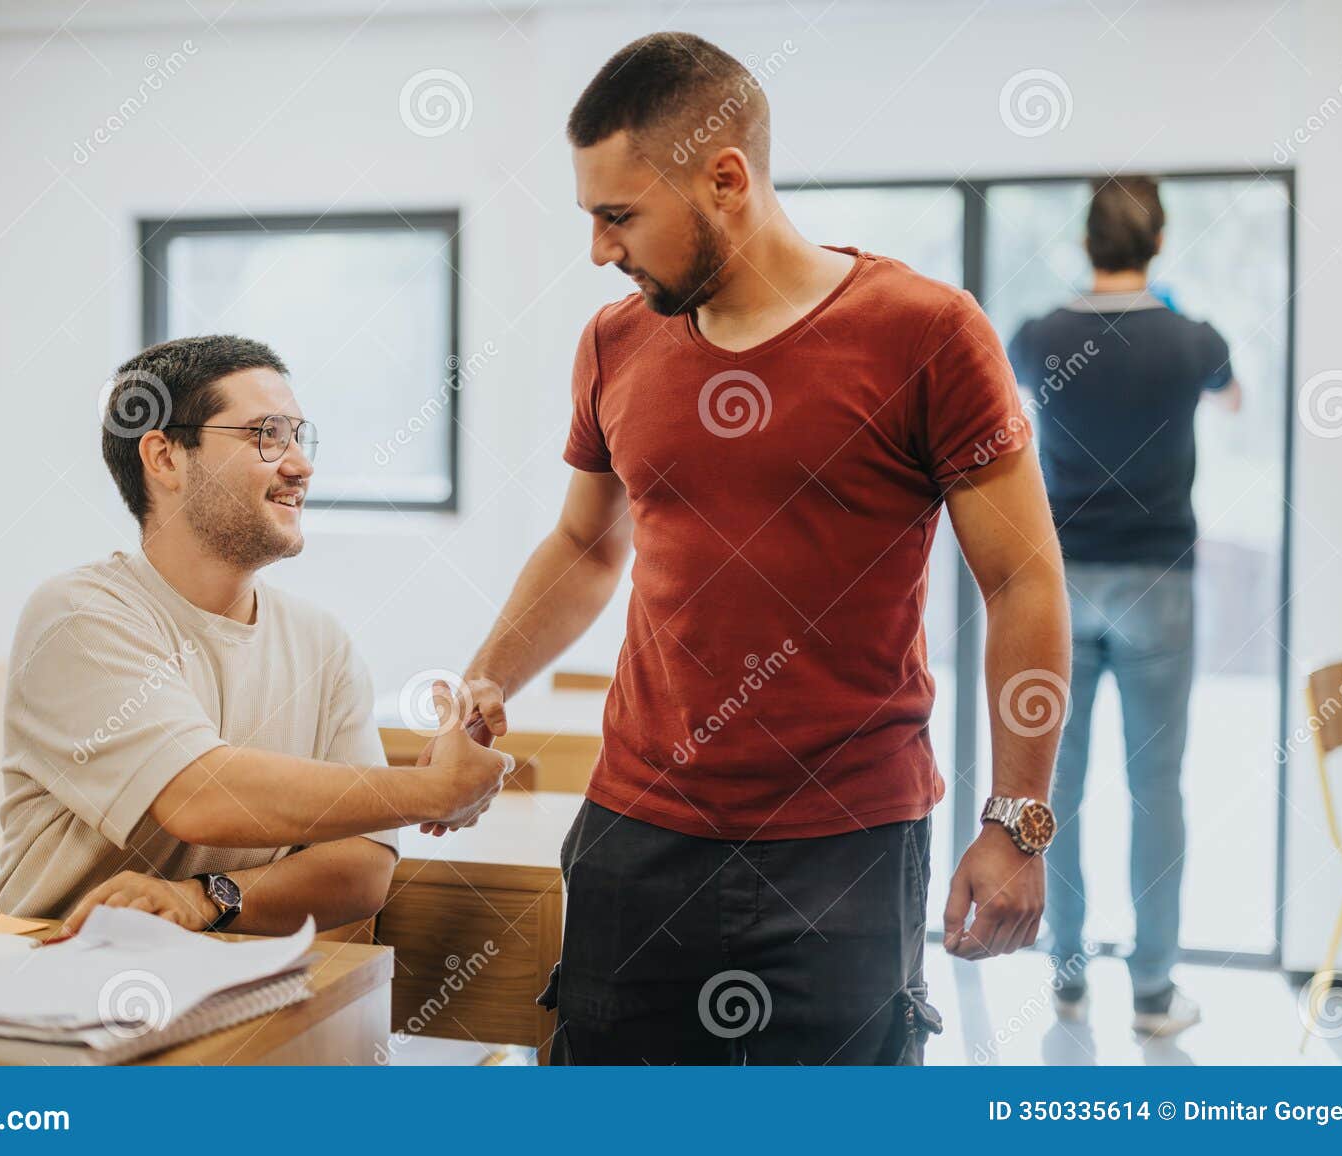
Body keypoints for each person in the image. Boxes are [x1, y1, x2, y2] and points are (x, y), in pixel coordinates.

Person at [423, 33, 1071, 1064]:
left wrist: (1018, 820)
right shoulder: (613, 343)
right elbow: (586, 544)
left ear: (725, 180)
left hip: (845, 847)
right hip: (635, 832)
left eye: (618, 215)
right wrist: (483, 683)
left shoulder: (926, 333)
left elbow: (1021, 580)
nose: (598, 248)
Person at [0, 335, 512, 934]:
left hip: (227, 987)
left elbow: (363, 868)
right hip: (47, 977)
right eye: (266, 435)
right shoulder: (80, 616)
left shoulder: (321, 641)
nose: (301, 464)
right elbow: (198, 795)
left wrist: (206, 898)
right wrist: (433, 790)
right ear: (164, 458)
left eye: (299, 436)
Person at [1007, 177, 1241, 1038]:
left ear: (1086, 242)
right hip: (1160, 584)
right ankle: (1152, 994)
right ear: (1157, 240)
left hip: (1060, 582)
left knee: (1054, 785)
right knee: (1157, 788)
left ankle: (1065, 977)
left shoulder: (1037, 339)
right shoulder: (1193, 339)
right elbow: (1233, 396)